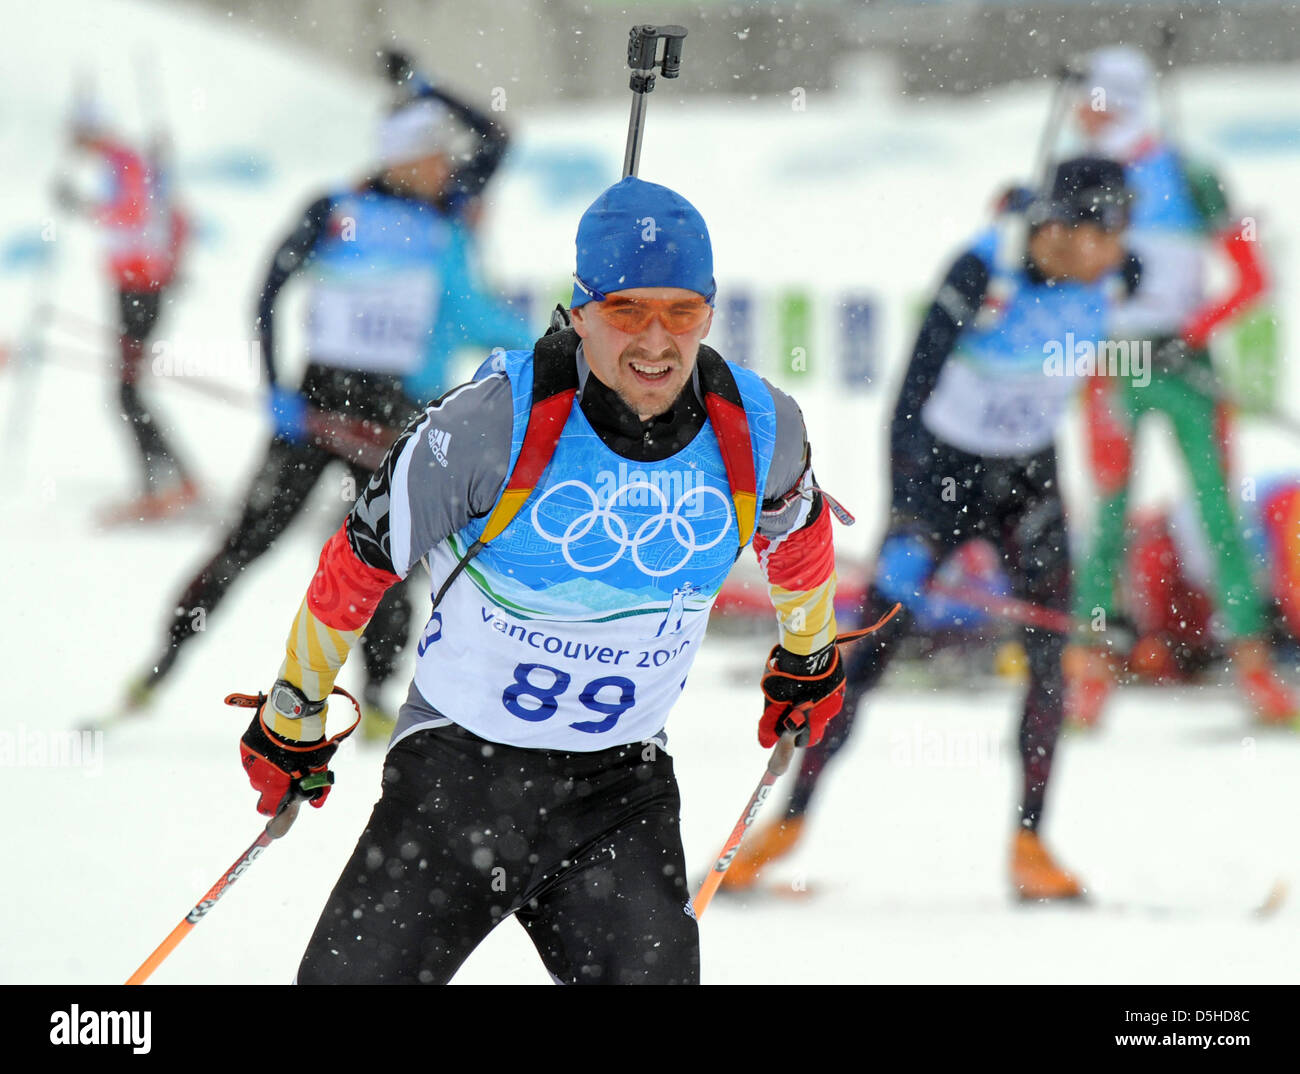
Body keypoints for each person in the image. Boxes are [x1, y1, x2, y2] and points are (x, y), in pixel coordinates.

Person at [234, 176, 866, 984]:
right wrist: (293, 714)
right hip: (455, 783)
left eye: (683, 311)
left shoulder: (760, 426)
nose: (656, 341)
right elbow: (358, 563)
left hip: (617, 794)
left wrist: (808, 659)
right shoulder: (487, 424)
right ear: (578, 310)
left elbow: (799, 534)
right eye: (626, 310)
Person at [723, 158, 1137, 901]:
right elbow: (908, 401)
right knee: (872, 650)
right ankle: (788, 823)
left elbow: (1161, 282)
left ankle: (1030, 845)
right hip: (942, 473)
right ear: (1063, 232)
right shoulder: (983, 275)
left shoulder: (1112, 270)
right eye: (1106, 233)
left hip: (1029, 478)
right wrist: (909, 522)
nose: (1118, 251)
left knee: (1049, 655)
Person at [112, 87, 529, 741]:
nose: (446, 166)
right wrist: (274, 385)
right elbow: (269, 289)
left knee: (391, 553)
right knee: (249, 540)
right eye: (432, 155)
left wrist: (429, 90)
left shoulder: (447, 210)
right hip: (317, 402)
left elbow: (499, 139)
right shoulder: (336, 208)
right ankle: (157, 670)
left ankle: (380, 695)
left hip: (393, 408)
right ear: (401, 158)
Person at [1065, 45, 1296, 727]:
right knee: (1106, 518)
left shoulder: (1191, 174)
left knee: (1218, 515)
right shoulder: (1078, 176)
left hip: (1184, 372)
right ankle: (1088, 668)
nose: (1082, 112)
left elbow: (1252, 277)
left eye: (1093, 99)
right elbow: (1050, 276)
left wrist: (1192, 330)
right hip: (1112, 367)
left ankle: (1253, 665)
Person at [56, 105, 195, 523]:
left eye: (80, 136)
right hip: (135, 284)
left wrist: (83, 207)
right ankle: (174, 479)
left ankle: (163, 483)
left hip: (142, 287)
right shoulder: (127, 161)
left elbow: (134, 214)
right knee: (128, 389)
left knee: (126, 390)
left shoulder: (127, 162)